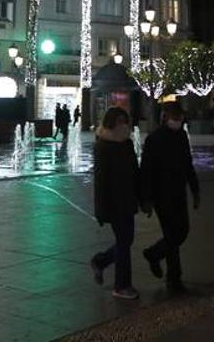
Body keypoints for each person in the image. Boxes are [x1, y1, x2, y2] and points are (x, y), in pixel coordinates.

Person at [140, 104, 200, 294]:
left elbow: (188, 163)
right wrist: (146, 199)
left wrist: (195, 189)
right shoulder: (154, 139)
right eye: (175, 116)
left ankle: (154, 254)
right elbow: (146, 170)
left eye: (180, 116)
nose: (178, 120)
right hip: (161, 194)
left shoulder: (182, 136)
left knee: (182, 231)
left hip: (178, 192)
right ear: (165, 117)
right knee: (172, 234)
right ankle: (174, 278)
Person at [90, 107, 141, 300]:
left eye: (125, 121)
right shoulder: (103, 146)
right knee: (124, 242)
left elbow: (135, 172)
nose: (123, 125)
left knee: (126, 241)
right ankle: (121, 285)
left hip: (128, 200)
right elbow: (101, 181)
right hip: (114, 203)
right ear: (111, 122)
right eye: (119, 121)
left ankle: (101, 261)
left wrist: (142, 197)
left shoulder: (126, 143)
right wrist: (101, 210)